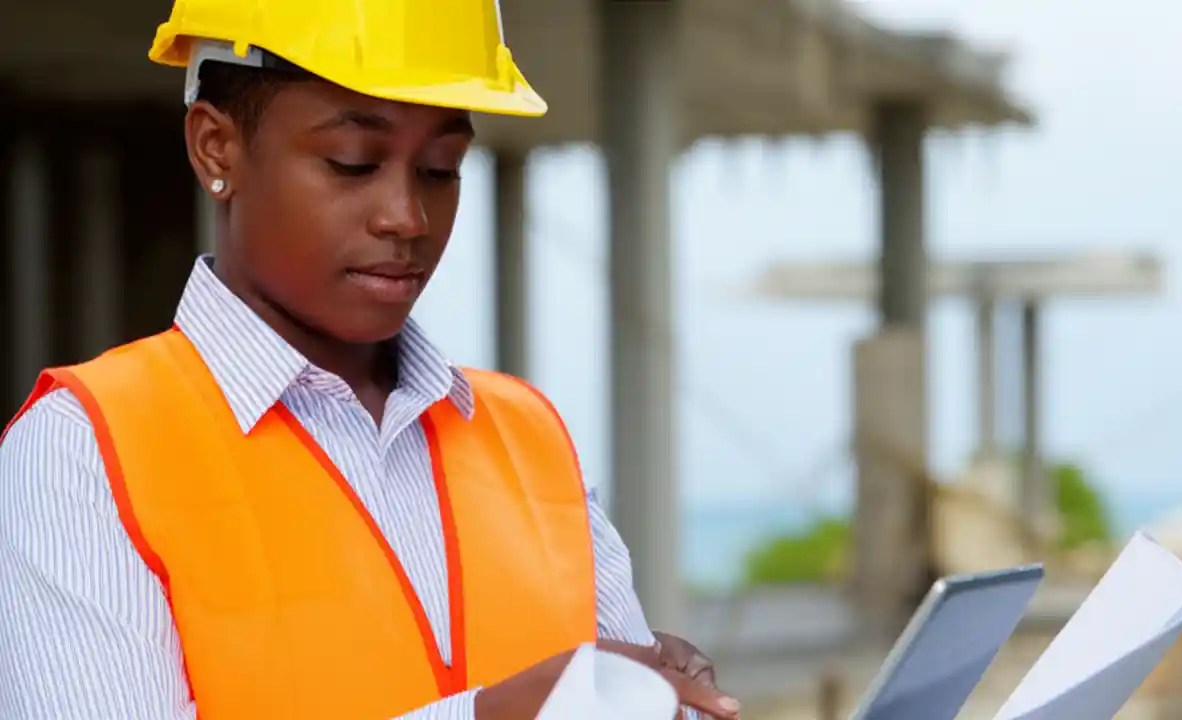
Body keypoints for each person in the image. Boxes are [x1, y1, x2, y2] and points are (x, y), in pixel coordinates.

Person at [0, 1, 740, 718]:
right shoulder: (86, 452)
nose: (406, 218)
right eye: (352, 163)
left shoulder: (531, 440)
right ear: (215, 148)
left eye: (442, 169)